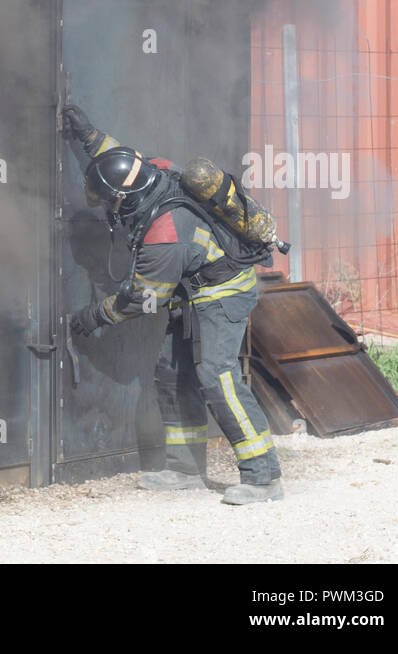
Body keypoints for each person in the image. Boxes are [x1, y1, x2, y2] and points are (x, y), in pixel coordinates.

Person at [63, 104, 283, 505]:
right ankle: (184, 469)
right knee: (171, 372)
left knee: (216, 376)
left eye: (110, 204)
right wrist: (88, 134)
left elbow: (142, 300)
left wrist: (93, 316)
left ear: (124, 201)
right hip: (190, 291)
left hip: (222, 293)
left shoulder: (162, 235)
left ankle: (263, 475)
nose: (109, 211)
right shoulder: (157, 169)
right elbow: (121, 160)